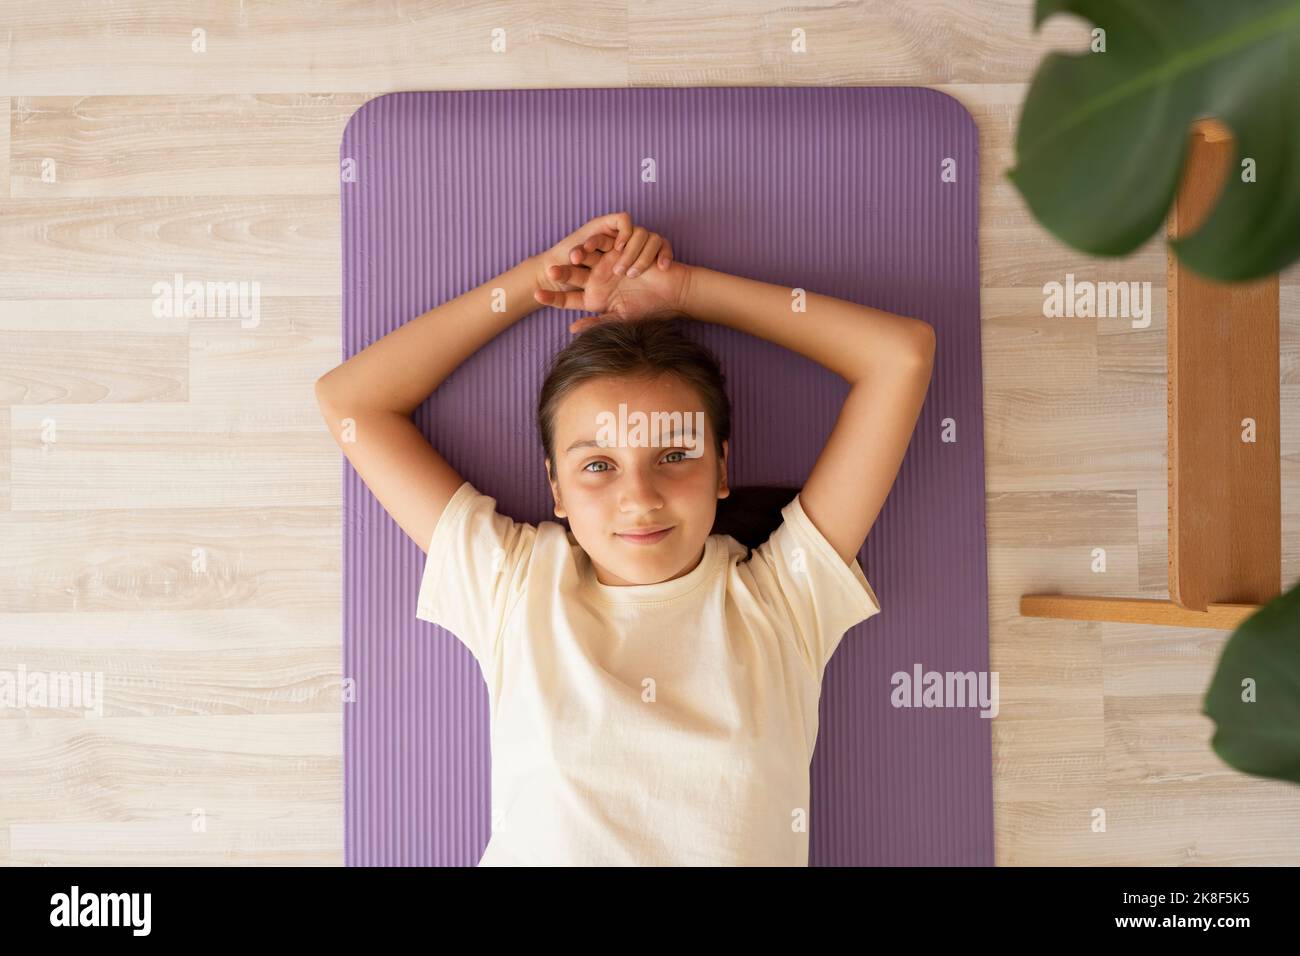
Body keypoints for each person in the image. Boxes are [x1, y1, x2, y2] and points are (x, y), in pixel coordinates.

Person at [315, 211, 935, 865]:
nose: (639, 498)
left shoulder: (785, 602)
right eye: (598, 465)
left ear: (722, 467)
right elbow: (350, 401)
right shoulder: (516, 587)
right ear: (555, 488)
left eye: (673, 455)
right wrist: (543, 279)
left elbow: (901, 355)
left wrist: (687, 292)